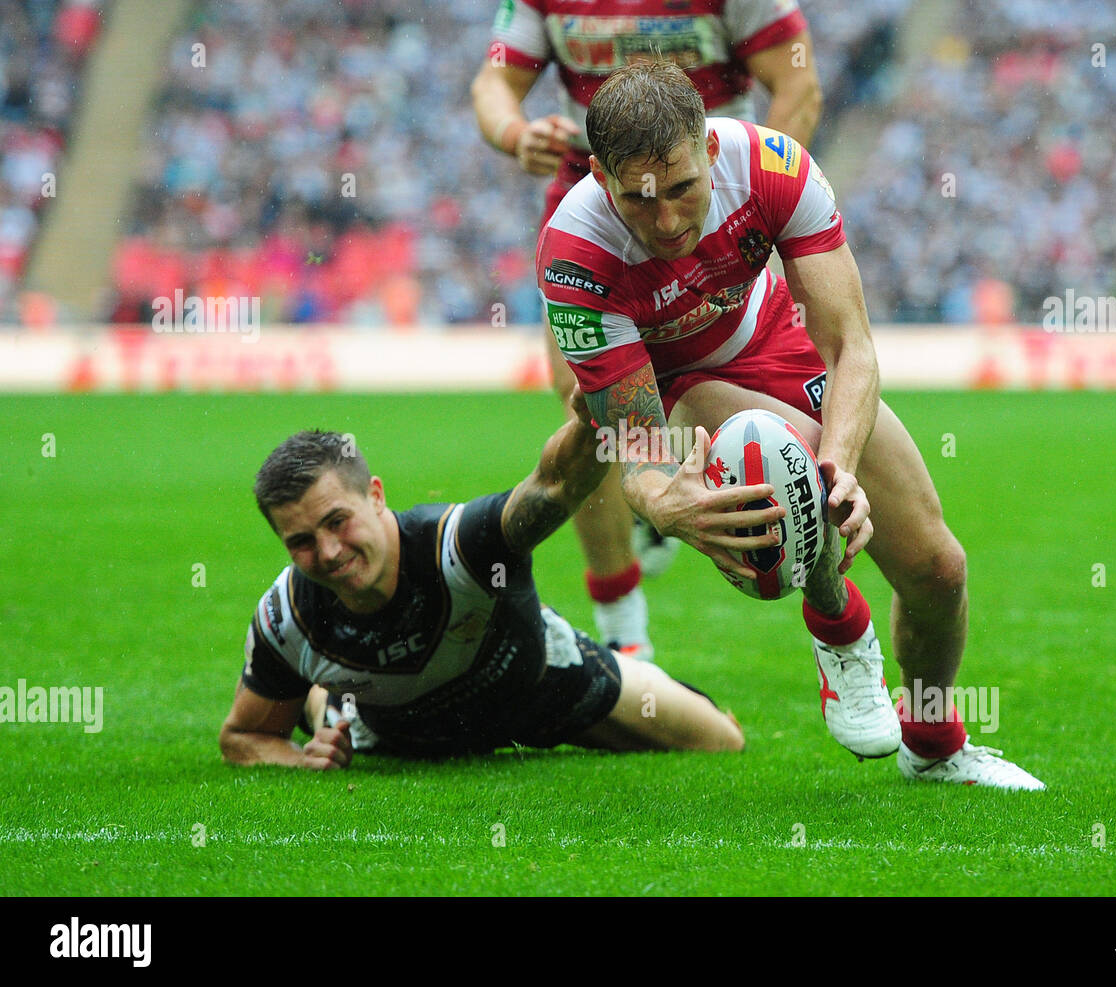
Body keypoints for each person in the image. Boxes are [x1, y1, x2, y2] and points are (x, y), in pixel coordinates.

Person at [536, 60, 1044, 789]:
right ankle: (839, 626)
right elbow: (636, 442)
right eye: (639, 201)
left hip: (781, 340)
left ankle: (933, 745)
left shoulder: (774, 168)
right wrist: (658, 502)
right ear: (599, 175)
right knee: (787, 456)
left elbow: (850, 347)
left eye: (682, 190)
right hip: (674, 385)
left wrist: (839, 464)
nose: (669, 221)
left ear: (710, 150)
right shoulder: (576, 254)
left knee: (939, 569)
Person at [471, 0, 823, 664]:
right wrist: (514, 133)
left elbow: (799, 81)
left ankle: (821, 600)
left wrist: (759, 202)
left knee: (724, 388)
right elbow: (493, 81)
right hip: (605, 209)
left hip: (715, 199)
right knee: (592, 411)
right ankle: (623, 630)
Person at [218, 393, 745, 770]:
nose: (328, 552)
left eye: (337, 521)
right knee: (336, 706)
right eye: (302, 542)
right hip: (388, 731)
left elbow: (554, 487)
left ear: (376, 496)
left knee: (720, 741)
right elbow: (243, 736)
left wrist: (597, 417)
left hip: (543, 688)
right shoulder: (287, 618)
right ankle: (328, 701)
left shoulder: (459, 545)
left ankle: (326, 697)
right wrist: (299, 760)